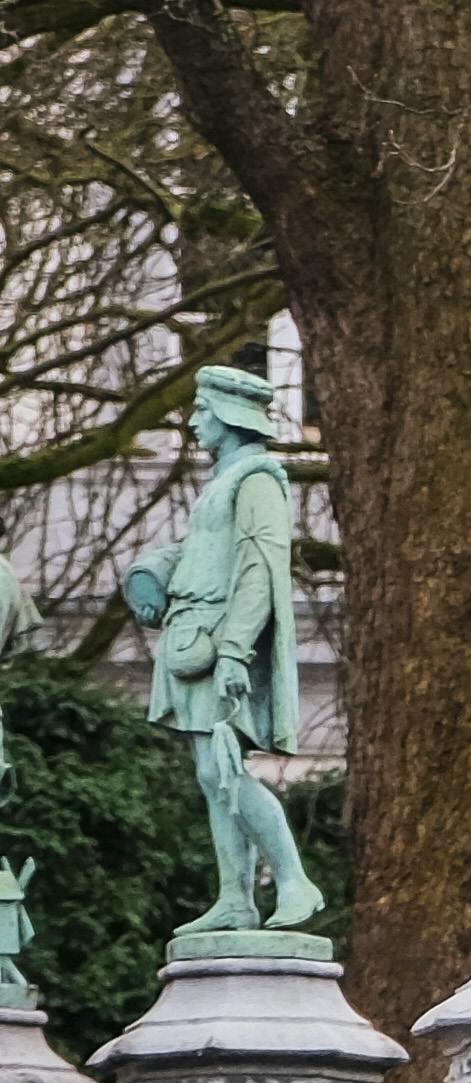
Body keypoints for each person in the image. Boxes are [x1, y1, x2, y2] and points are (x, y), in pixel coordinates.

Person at [124, 366, 323, 934]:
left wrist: (235, 650)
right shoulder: (225, 480)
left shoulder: (258, 478)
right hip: (195, 637)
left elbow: (261, 568)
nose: (193, 421)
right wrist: (148, 570)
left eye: (203, 411)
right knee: (213, 775)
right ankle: (235, 897)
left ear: (231, 416)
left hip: (219, 643)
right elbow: (198, 550)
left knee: (226, 769)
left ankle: (293, 880)